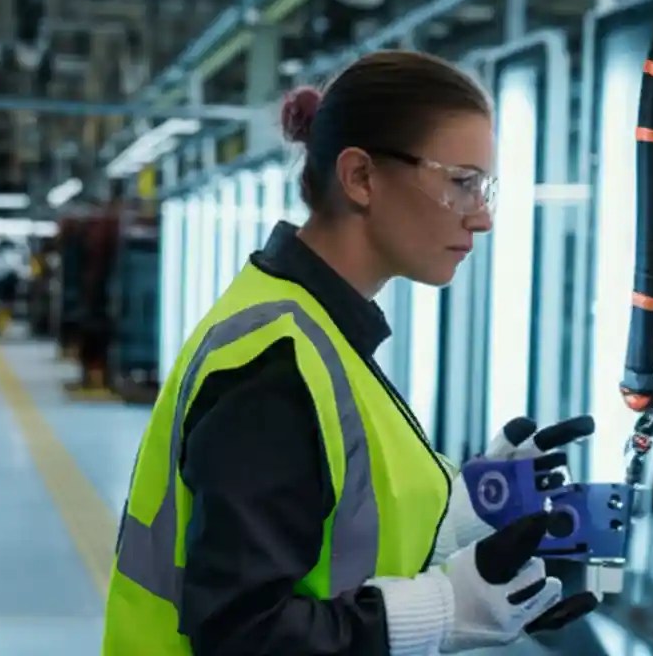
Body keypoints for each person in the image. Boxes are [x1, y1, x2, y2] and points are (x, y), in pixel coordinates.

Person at [103, 50, 598, 655]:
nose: (483, 217)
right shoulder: (275, 366)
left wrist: (469, 507)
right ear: (361, 177)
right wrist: (443, 611)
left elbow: (340, 529)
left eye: (484, 187)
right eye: (461, 184)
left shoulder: (316, 331)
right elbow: (242, 634)